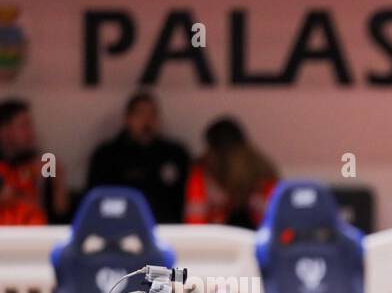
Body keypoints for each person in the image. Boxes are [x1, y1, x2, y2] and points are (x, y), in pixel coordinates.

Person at [86, 92, 190, 224]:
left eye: (152, 115)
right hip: (119, 227)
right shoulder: (107, 156)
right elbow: (96, 200)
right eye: (140, 114)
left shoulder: (175, 155)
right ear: (127, 118)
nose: (147, 121)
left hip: (166, 228)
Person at [184, 116, 278, 228]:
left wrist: (256, 203)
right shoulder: (203, 172)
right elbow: (195, 227)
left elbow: (278, 224)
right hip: (217, 239)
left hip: (256, 237)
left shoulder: (260, 171)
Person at [0, 98, 69, 225]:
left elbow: (60, 215)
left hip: (37, 237)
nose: (31, 132)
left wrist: (58, 184)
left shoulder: (42, 163)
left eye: (30, 125)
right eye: (24, 126)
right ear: (4, 131)